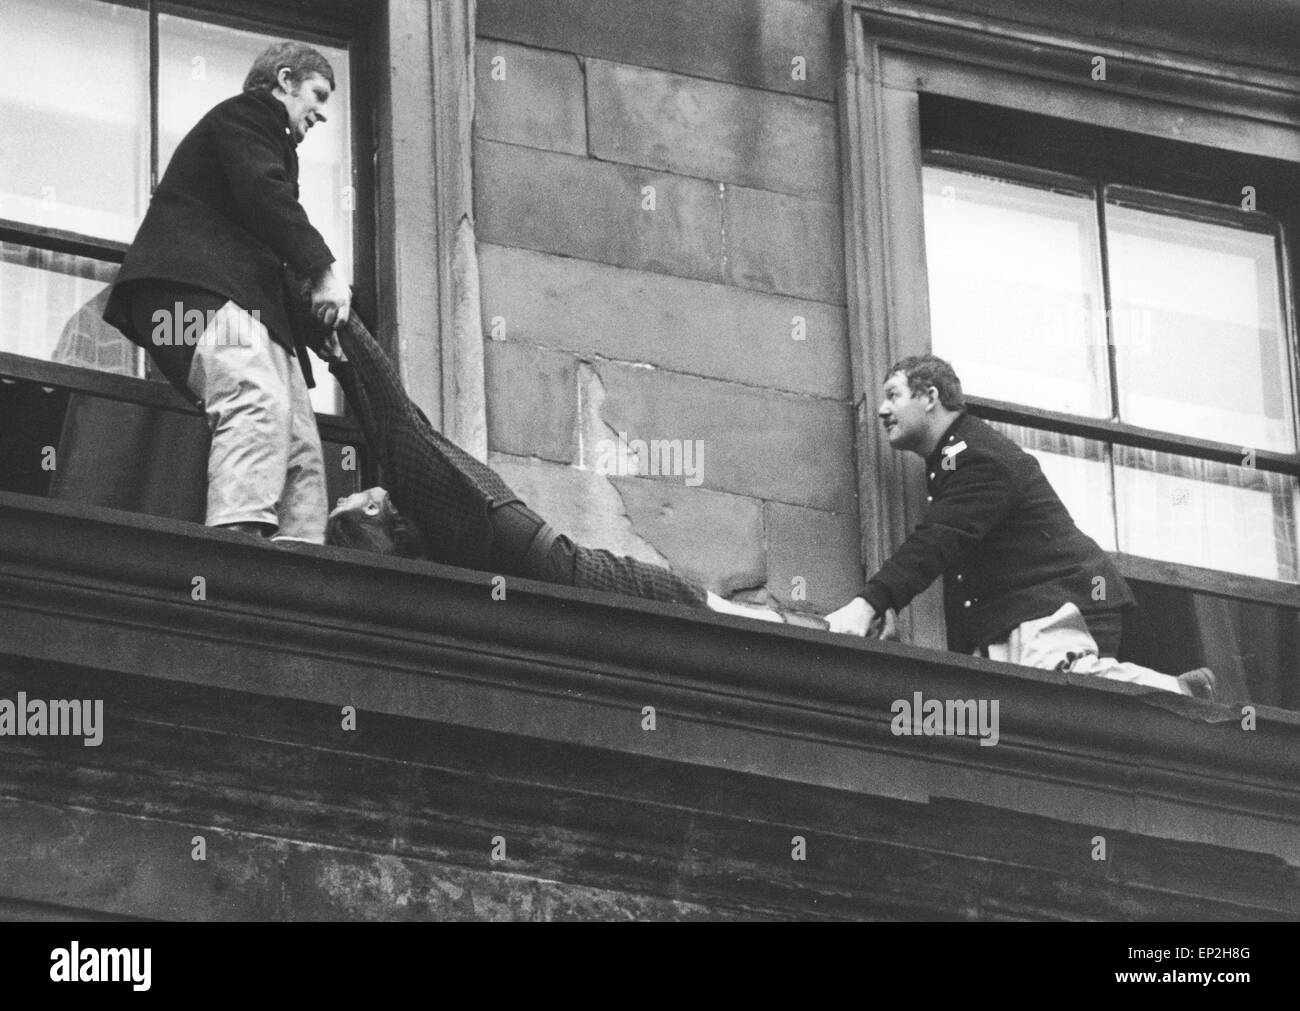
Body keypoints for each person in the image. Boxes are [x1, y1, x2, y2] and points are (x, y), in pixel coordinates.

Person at [315, 312, 781, 622]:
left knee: (646, 585)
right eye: (345, 505)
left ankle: (754, 619)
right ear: (372, 514)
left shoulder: (418, 498)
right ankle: (763, 620)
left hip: (533, 550)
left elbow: (390, 419)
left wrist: (341, 365)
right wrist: (346, 323)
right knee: (647, 585)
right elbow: (394, 410)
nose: (344, 494)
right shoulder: (417, 486)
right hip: (542, 555)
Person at [824, 354, 1217, 701]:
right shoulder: (954, 457)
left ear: (929, 396)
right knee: (1022, 703)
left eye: (893, 395)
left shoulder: (978, 456)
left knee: (1059, 683)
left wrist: (870, 603)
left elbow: (939, 539)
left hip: (1054, 603)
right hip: (1021, 614)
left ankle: (1176, 694)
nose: (881, 409)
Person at [103, 41, 350, 544]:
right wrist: (323, 271)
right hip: (180, 303)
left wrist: (312, 328)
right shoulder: (247, 115)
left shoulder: (266, 147)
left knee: (299, 440)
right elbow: (265, 194)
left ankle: (298, 559)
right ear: (283, 81)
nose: (322, 114)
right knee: (255, 394)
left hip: (230, 307)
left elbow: (266, 249)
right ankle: (237, 545)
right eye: (318, 95)